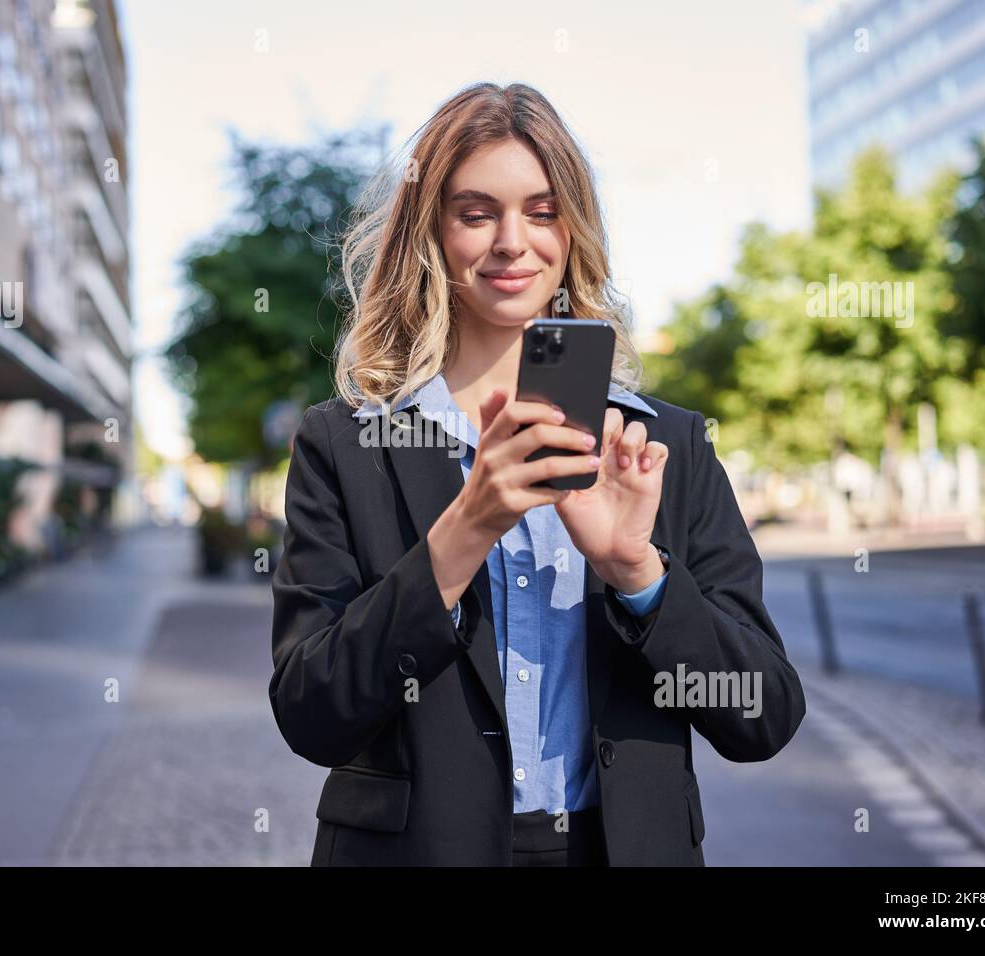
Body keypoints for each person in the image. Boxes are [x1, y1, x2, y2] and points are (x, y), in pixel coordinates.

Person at [269, 82, 806, 866]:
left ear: (572, 228)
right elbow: (312, 714)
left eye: (543, 211)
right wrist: (465, 531)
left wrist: (638, 573)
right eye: (476, 212)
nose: (512, 241)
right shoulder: (348, 445)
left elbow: (760, 714)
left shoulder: (670, 445)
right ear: (433, 231)